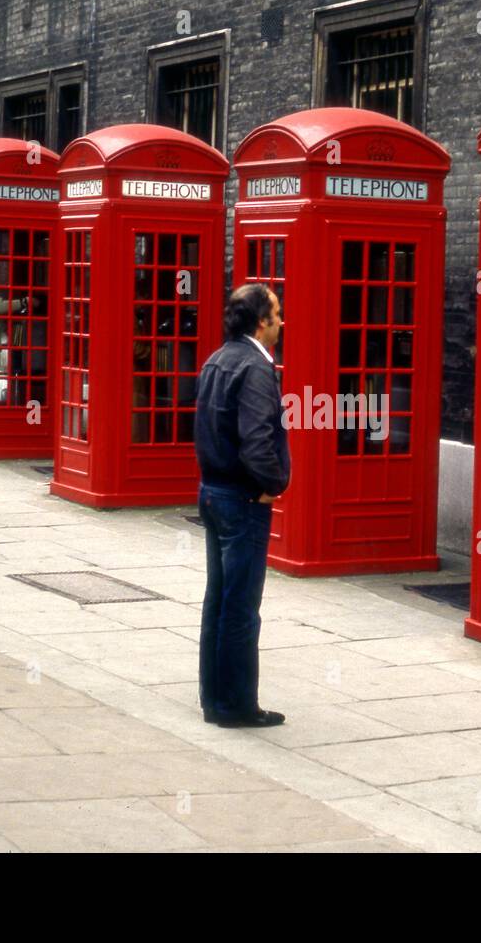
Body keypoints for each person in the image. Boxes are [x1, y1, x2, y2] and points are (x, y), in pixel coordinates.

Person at [194, 283, 289, 728]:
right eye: (277, 313)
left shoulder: (218, 358)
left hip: (213, 491)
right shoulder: (254, 367)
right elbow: (256, 439)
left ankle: (214, 700)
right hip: (243, 498)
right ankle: (237, 707)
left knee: (218, 600)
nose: (282, 321)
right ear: (261, 321)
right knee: (242, 607)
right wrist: (273, 483)